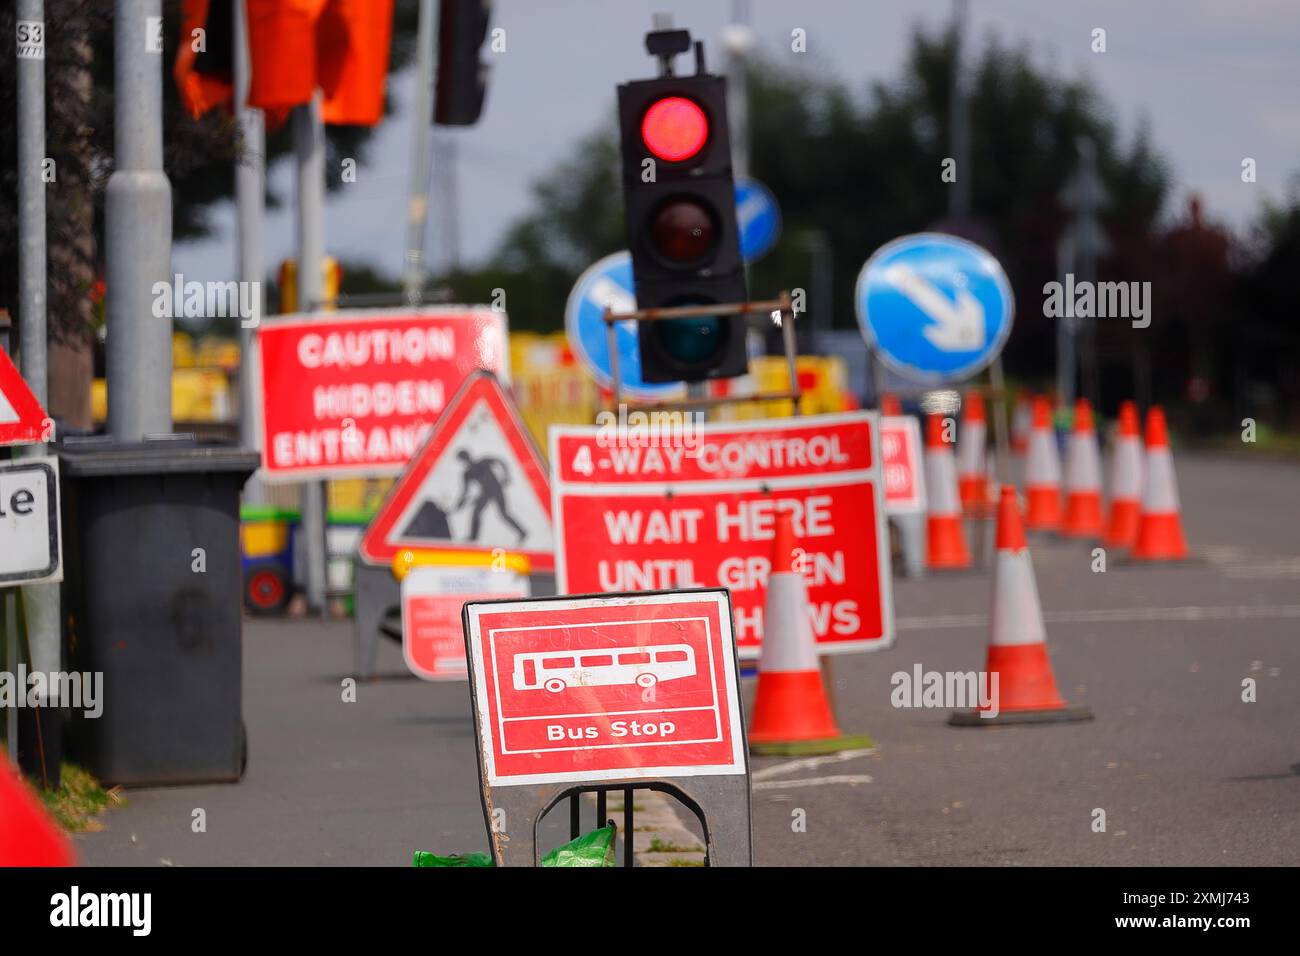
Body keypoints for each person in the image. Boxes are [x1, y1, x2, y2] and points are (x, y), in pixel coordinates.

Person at [453, 449, 527, 545]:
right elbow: (465, 491)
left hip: (496, 489)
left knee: (504, 514)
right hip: (486, 493)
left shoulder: (483, 462)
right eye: (463, 459)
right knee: (476, 513)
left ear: (469, 456)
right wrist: (459, 503)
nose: (466, 460)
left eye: (466, 457)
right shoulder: (467, 474)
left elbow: (500, 461)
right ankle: (473, 538)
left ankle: (522, 532)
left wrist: (506, 475)